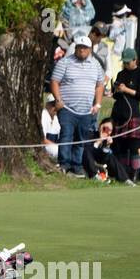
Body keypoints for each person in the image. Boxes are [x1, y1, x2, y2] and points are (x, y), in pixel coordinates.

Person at [49, 35, 103, 177]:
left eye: (85, 48)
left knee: (80, 139)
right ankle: (64, 164)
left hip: (86, 110)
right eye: (79, 47)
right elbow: (54, 81)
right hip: (67, 108)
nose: (82, 50)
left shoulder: (96, 65)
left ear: (90, 49)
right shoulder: (65, 62)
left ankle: (76, 166)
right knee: (66, 135)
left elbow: (99, 85)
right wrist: (58, 99)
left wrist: (97, 104)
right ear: (76, 48)